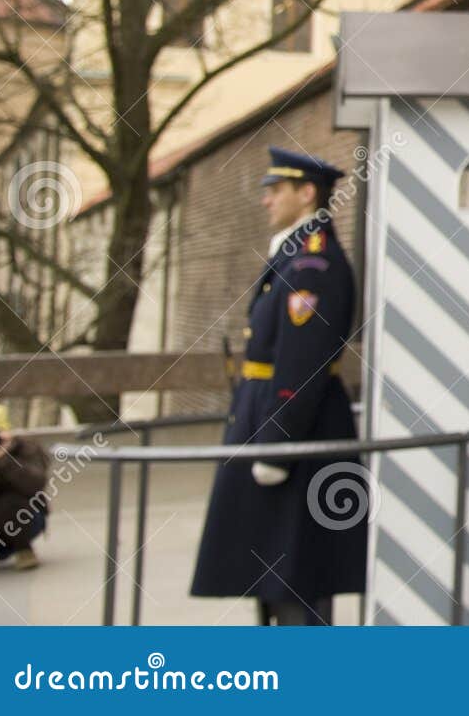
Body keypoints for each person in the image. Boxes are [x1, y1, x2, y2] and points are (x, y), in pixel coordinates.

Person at [190, 146, 366, 624]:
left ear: (307, 194)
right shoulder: (293, 257)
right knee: (270, 571)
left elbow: (302, 364)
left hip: (292, 435)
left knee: (296, 574)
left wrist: (275, 447)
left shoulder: (315, 266)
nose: (266, 200)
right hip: (268, 422)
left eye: (276, 189)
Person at [0, 403, 47, 571]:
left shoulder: (26, 448)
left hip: (23, 520)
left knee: (9, 501)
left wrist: (4, 460)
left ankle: (25, 552)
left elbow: (35, 484)